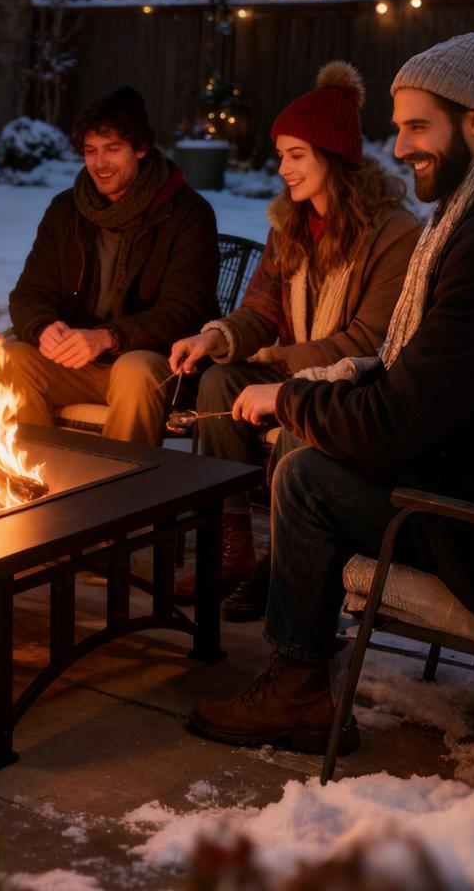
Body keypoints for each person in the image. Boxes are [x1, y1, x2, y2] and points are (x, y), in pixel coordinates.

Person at [189, 33, 474, 755]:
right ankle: (237, 555)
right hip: (458, 462)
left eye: (417, 126)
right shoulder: (457, 218)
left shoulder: (461, 239)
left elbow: (388, 399)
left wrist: (293, 391)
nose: (400, 144)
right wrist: (221, 338)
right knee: (234, 389)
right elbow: (397, 368)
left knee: (308, 475)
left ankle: (296, 689)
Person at [169, 63, 419, 615]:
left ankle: (284, 565)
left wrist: (280, 363)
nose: (283, 168)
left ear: (333, 156)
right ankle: (232, 547)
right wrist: (214, 338)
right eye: (281, 154)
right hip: (292, 370)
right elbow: (260, 308)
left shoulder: (393, 233)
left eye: (296, 155)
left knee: (298, 422)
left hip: (356, 387)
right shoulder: (290, 224)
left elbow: (369, 340)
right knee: (219, 382)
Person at [5, 86, 219, 444]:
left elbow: (184, 310)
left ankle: (121, 480)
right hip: (77, 364)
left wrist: (108, 337)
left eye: (112, 149)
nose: (100, 163)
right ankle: (39, 471)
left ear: (140, 148)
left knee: (135, 370)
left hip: (156, 363)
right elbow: (29, 292)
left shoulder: (187, 213)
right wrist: (42, 327)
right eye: (91, 151)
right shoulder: (67, 210)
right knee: (8, 359)